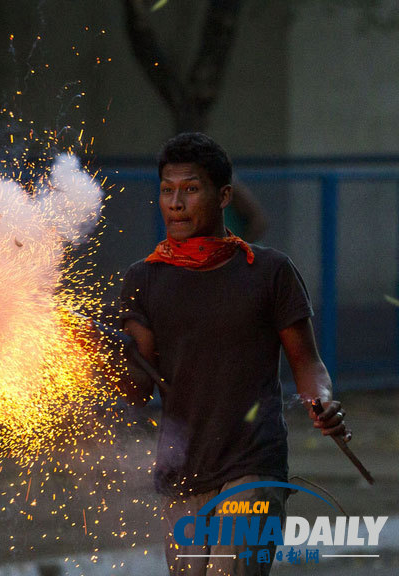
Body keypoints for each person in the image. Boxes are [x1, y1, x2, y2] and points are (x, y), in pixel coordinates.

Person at [117, 132, 351, 576]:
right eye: (167, 190)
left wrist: (320, 401)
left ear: (223, 196)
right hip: (182, 472)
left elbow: (306, 362)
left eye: (190, 189)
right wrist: (103, 359)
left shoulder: (268, 272)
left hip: (253, 463)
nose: (176, 203)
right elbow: (135, 388)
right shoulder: (143, 279)